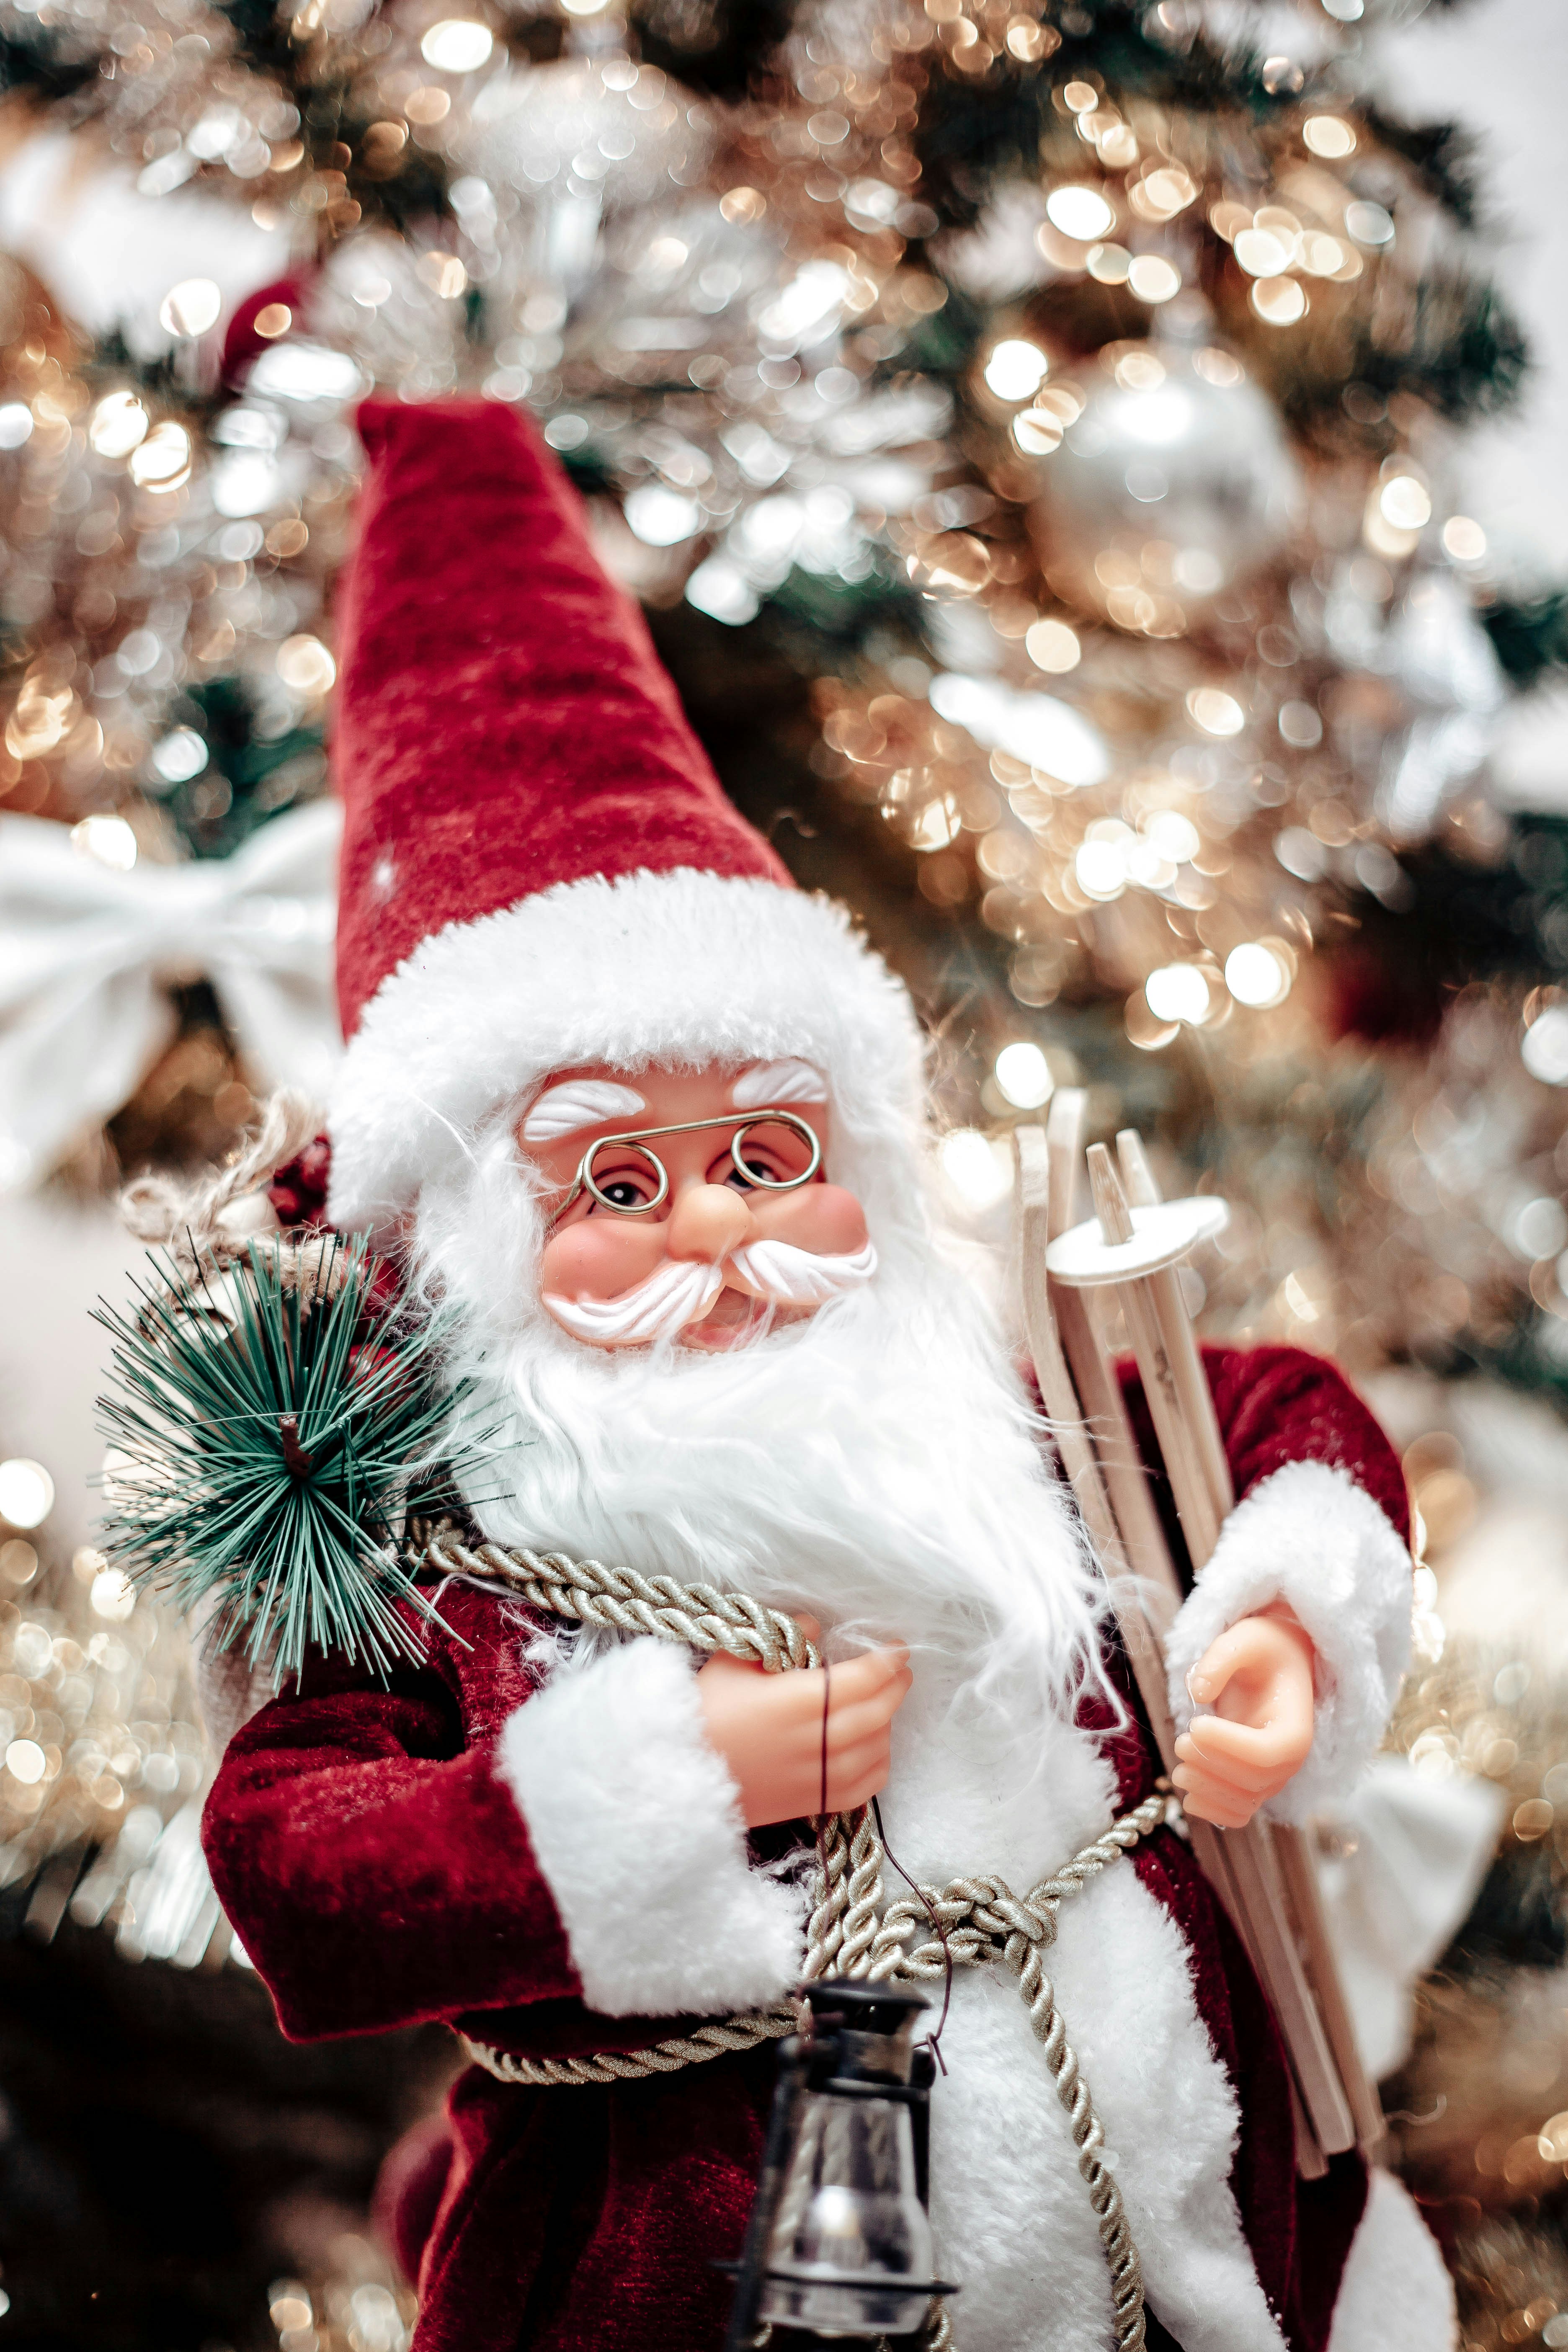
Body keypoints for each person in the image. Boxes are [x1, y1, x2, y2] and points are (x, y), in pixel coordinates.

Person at [202, 399, 1453, 2352]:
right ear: (475, 1243)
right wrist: (656, 1791)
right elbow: (300, 1864)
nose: (715, 1226)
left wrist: (1281, 1622)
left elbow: (1278, 1417)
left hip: (1171, 2253)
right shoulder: (451, 1549)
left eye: (766, 1157)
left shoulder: (991, 1409)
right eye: (620, 1180)